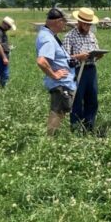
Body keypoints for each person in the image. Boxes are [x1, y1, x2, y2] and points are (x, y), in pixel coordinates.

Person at [35, 8, 77, 136]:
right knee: (57, 112)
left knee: (61, 112)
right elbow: (41, 61)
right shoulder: (48, 38)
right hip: (60, 84)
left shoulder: (49, 35)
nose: (65, 26)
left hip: (64, 83)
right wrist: (54, 75)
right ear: (58, 21)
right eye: (64, 22)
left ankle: (54, 137)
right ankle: (50, 139)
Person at [62, 7, 102, 132]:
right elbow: (65, 58)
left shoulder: (92, 35)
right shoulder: (70, 36)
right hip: (77, 71)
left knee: (92, 99)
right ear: (79, 21)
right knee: (77, 99)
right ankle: (76, 127)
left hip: (91, 70)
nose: (87, 26)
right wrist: (78, 57)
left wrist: (98, 55)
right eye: (85, 23)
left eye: (89, 24)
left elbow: (96, 50)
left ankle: (89, 126)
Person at [0, 16, 15, 87]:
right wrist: (4, 57)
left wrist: (8, 47)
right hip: (1, 56)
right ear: (5, 24)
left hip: (3, 56)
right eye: (9, 27)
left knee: (1, 71)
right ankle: (3, 87)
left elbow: (1, 44)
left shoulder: (2, 32)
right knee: (5, 73)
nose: (9, 28)